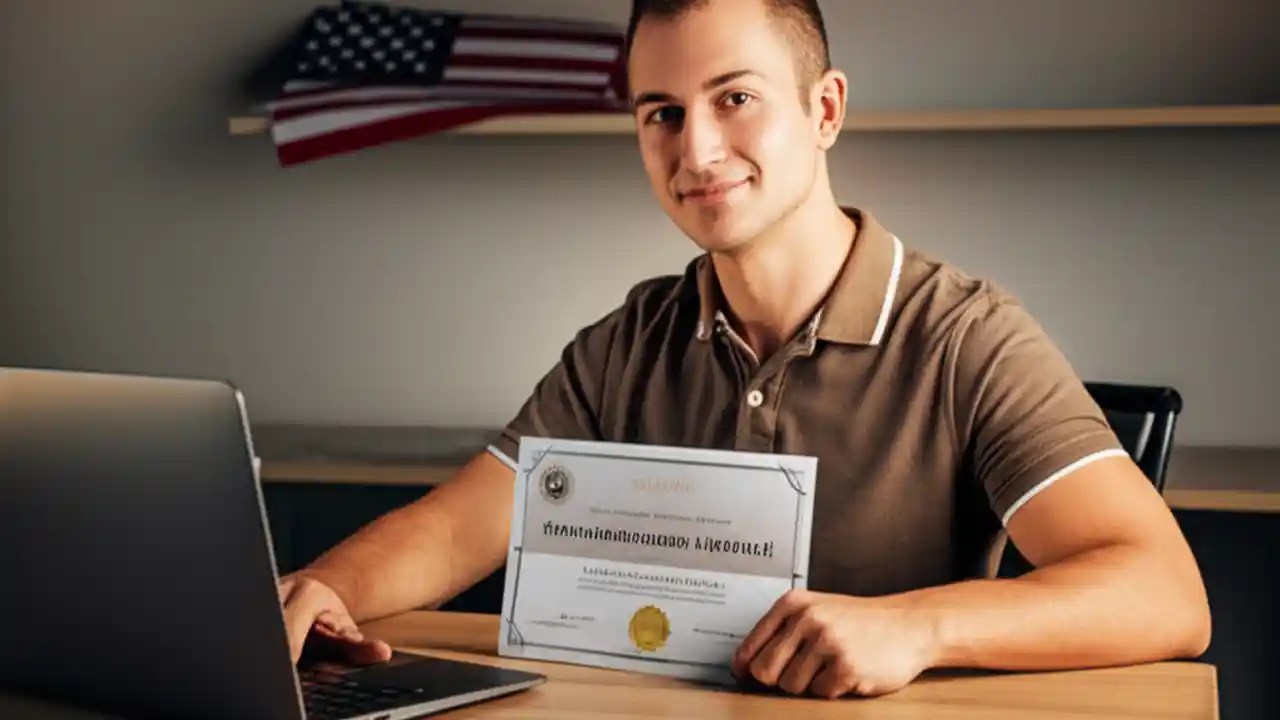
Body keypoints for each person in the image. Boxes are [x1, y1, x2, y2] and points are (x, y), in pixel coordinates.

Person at [278, 0, 1211, 699]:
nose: (698, 149)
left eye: (735, 98)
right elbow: (456, 526)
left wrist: (915, 627)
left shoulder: (966, 337)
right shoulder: (625, 344)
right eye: (662, 113)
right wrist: (322, 587)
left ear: (826, 110)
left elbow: (1167, 592)